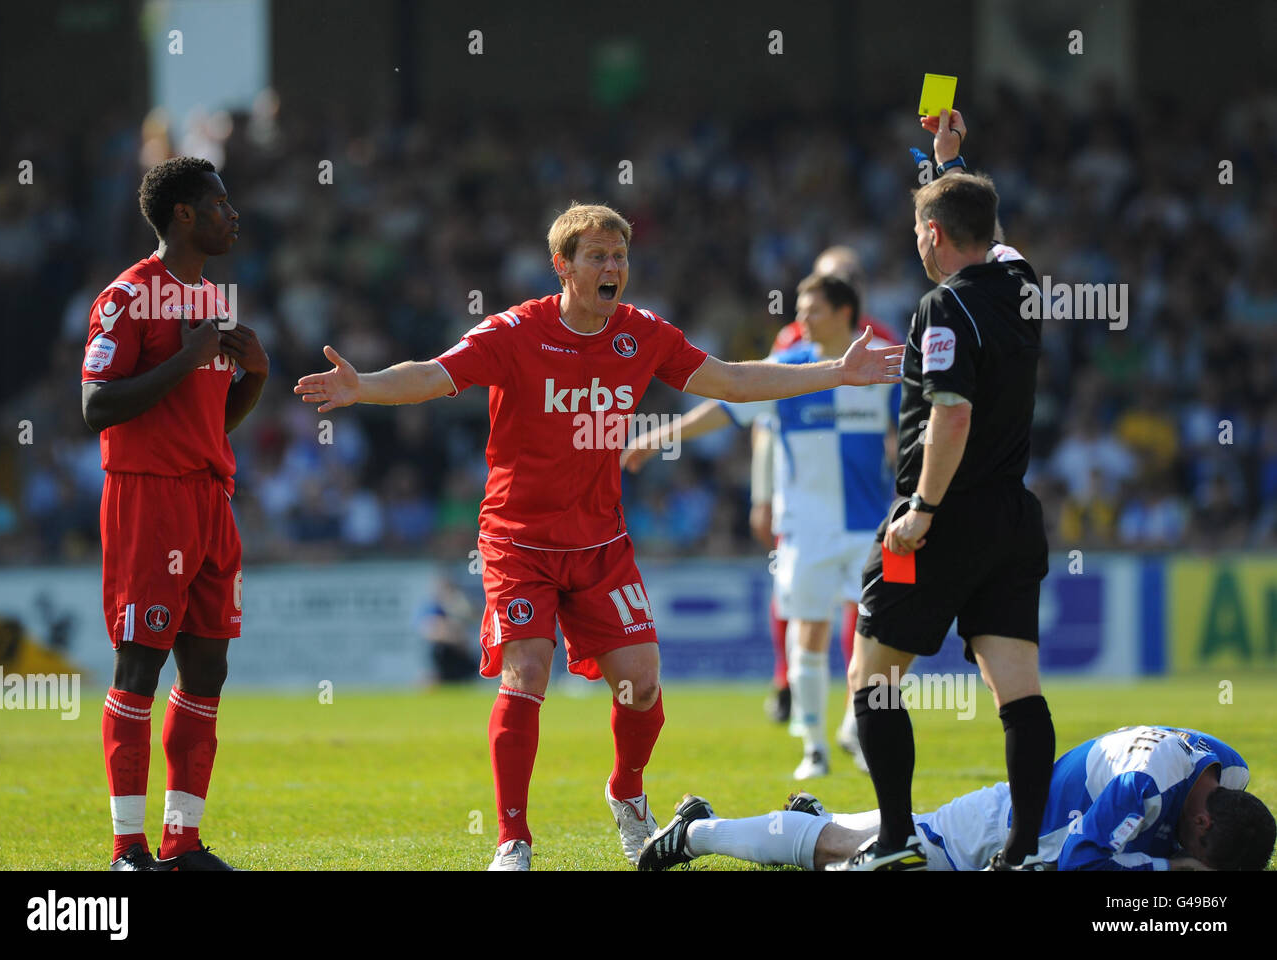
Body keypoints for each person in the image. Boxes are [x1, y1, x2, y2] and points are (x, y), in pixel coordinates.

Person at [294, 203, 903, 870]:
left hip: (600, 544)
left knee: (641, 687)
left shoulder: (641, 334)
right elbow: (435, 376)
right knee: (528, 672)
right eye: (598, 257)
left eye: (620, 257)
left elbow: (731, 380)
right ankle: (512, 840)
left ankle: (627, 794)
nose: (613, 268)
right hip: (518, 539)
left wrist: (836, 373)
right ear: (563, 266)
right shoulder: (514, 331)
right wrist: (364, 387)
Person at [846, 109, 1055, 870]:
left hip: (936, 523)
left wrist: (921, 511)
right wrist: (947, 163)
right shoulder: (1023, 285)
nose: (916, 242)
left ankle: (897, 838)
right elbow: (979, 226)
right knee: (1017, 688)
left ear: (932, 234)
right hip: (1012, 518)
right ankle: (1024, 851)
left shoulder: (942, 307)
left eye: (920, 229)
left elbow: (953, 415)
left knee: (871, 677)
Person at [622, 273, 897, 780]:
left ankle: (856, 730)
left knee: (882, 641)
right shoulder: (788, 369)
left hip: (873, 531)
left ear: (843, 313)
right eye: (798, 308)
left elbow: (913, 434)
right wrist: (663, 434)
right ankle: (814, 746)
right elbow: (728, 408)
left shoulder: (883, 362)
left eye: (811, 309)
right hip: (804, 531)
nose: (801, 320)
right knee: (809, 634)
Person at [81, 157, 269, 871]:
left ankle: (182, 842)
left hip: (210, 496)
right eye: (220, 203)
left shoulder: (214, 304)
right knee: (140, 663)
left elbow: (213, 419)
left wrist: (255, 375)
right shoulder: (127, 298)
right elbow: (97, 406)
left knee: (208, 667)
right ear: (184, 214)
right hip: (148, 494)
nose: (233, 214)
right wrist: (188, 360)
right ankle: (129, 850)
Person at [639, 725, 1276, 872]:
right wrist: (1175, 868)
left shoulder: (1227, 771)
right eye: (1201, 850)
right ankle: (699, 829)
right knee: (851, 858)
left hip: (1038, 813)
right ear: (1196, 819)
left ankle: (818, 816)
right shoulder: (1146, 787)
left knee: (897, 833)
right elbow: (1082, 864)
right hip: (1008, 829)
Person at [754, 247, 898, 735]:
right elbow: (760, 417)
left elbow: (902, 428)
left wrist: (908, 495)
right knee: (802, 605)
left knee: (871, 615)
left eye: (847, 276)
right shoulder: (792, 343)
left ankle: (852, 719)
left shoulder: (882, 343)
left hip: (865, 507)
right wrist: (762, 492)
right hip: (804, 501)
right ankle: (787, 685)